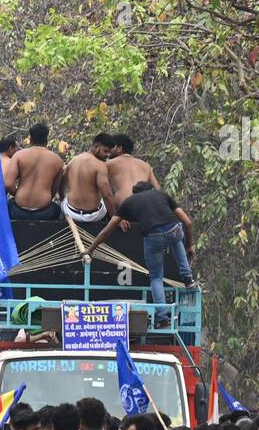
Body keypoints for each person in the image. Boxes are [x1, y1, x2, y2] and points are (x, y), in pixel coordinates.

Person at [87, 181, 195, 327]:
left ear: (135, 193)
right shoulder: (161, 194)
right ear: (150, 189)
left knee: (156, 277)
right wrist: (189, 246)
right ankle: (188, 278)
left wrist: (91, 249)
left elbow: (108, 230)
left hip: (153, 236)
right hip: (173, 229)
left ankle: (162, 318)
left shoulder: (130, 202)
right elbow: (187, 223)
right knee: (176, 239)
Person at [3, 122, 66, 220]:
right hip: (45, 213)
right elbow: (54, 190)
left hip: (17, 211)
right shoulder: (58, 161)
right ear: (46, 139)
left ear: (30, 138)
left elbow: (8, 184)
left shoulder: (19, 155)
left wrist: (18, 194)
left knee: (7, 205)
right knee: (57, 209)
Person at [59, 133, 118, 223]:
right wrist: (116, 219)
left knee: (65, 201)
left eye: (109, 152)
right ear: (96, 147)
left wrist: (62, 199)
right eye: (105, 151)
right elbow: (107, 195)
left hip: (71, 212)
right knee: (105, 201)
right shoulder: (100, 165)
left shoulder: (72, 161)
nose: (108, 155)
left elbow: (61, 187)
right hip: (93, 216)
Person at [104, 133, 160, 203]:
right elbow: (158, 190)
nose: (108, 151)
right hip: (146, 205)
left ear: (119, 148)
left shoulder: (109, 163)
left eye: (111, 147)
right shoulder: (145, 165)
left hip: (126, 207)